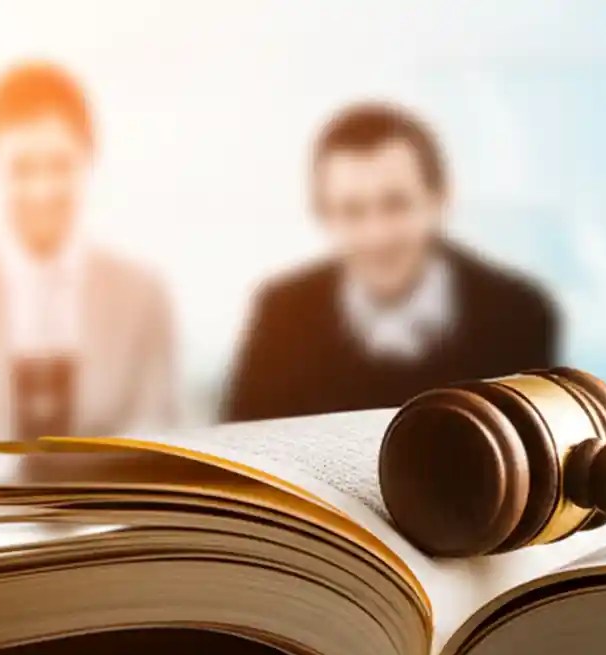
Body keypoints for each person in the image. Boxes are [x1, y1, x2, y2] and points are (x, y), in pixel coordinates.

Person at [0, 62, 176, 493]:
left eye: (60, 165)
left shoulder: (141, 295)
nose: (42, 189)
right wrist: (17, 475)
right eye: (22, 168)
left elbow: (162, 440)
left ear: (89, 159)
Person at [223, 102, 557, 421]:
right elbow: (236, 452)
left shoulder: (519, 316)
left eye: (396, 204)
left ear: (440, 199)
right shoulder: (281, 316)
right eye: (352, 211)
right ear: (323, 214)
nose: (377, 236)